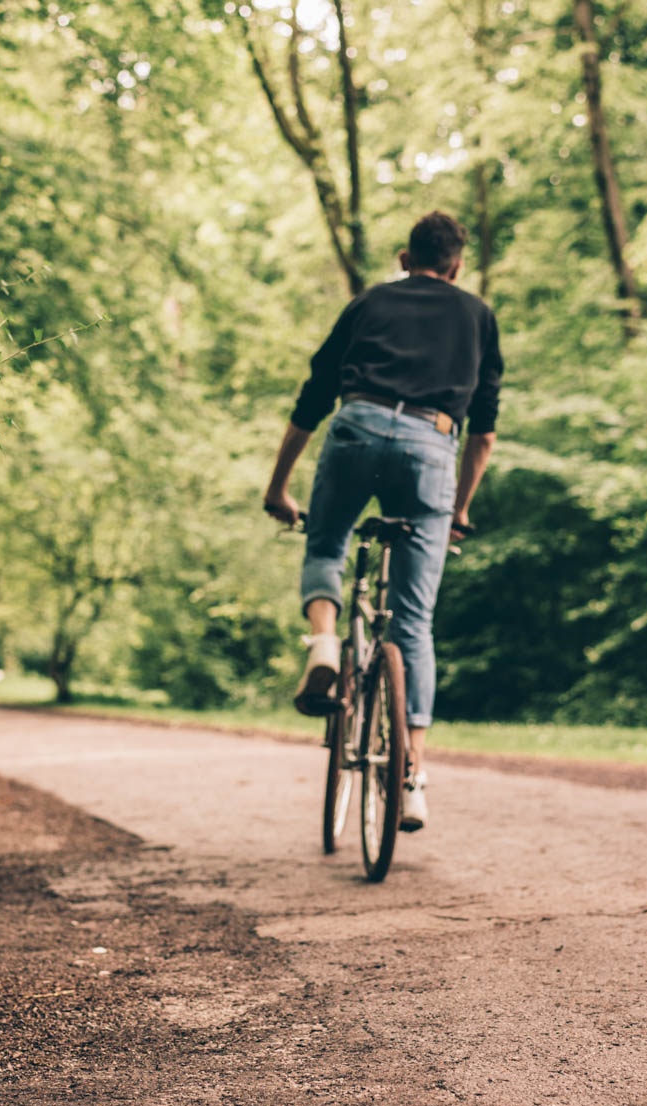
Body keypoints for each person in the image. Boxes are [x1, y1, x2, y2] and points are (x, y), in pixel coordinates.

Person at [262, 212, 503, 833]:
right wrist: (459, 509)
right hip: (431, 445)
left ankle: (323, 643)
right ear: (456, 265)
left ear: (404, 258)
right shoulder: (478, 316)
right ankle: (412, 775)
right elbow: (484, 433)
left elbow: (313, 399)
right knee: (414, 621)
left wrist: (279, 486)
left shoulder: (367, 305)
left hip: (357, 429)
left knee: (328, 542)